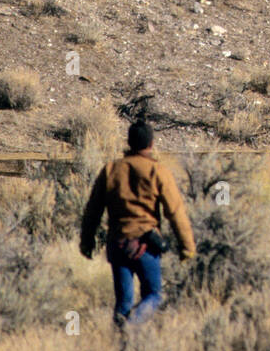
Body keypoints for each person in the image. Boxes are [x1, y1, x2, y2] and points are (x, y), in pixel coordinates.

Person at [79, 120, 196, 328]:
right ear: (151, 143)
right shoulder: (157, 171)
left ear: (129, 142)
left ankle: (121, 345)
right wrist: (187, 247)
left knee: (123, 301)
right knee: (154, 295)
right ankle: (132, 328)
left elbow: (92, 211)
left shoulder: (111, 170)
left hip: (118, 243)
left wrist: (86, 242)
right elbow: (175, 212)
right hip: (146, 245)